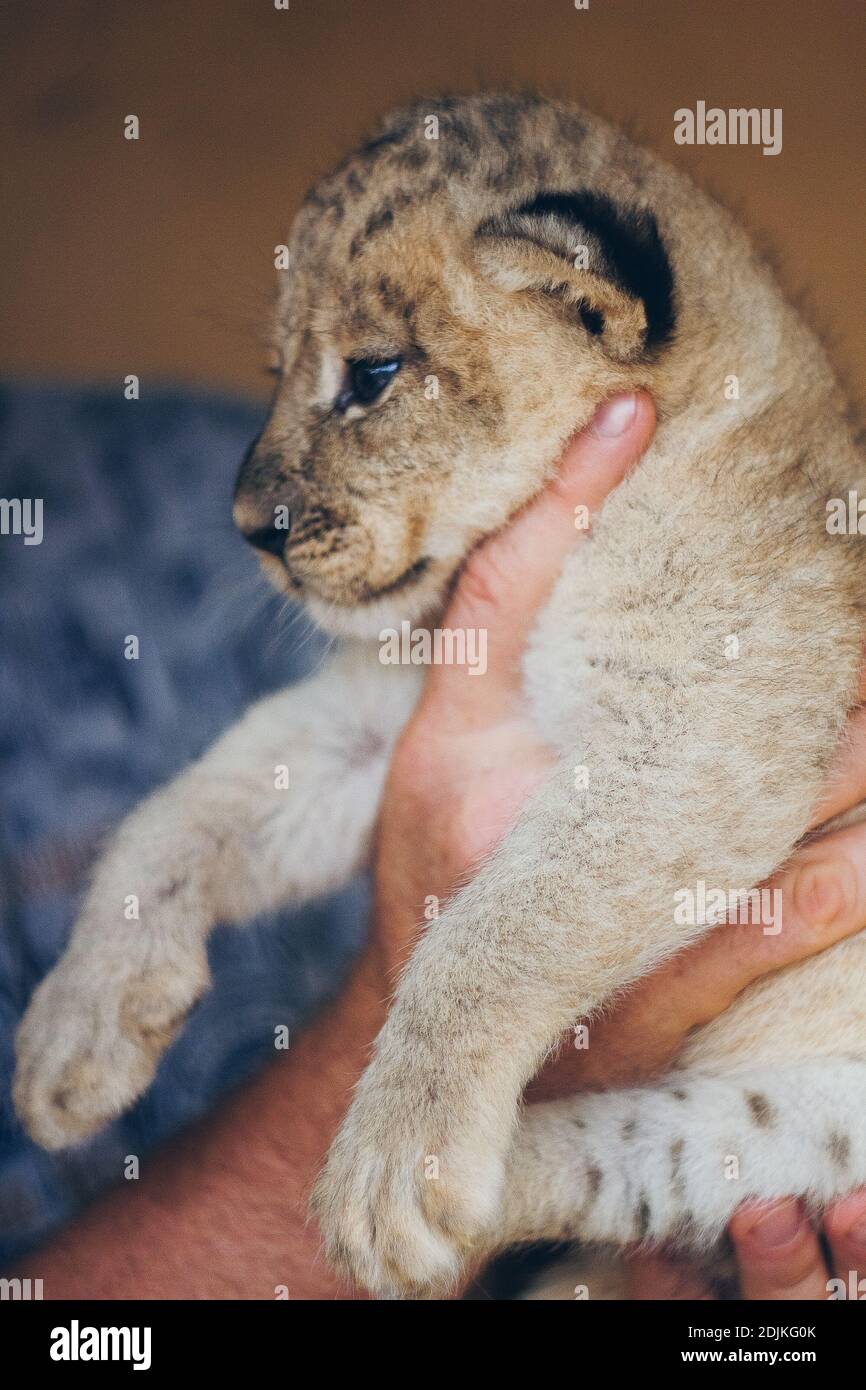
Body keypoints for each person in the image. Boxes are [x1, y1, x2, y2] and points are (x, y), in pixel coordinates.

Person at [11, 392, 866, 1299]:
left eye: (375, 377)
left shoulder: (735, 497)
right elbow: (344, 744)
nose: (266, 507)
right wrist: (146, 904)